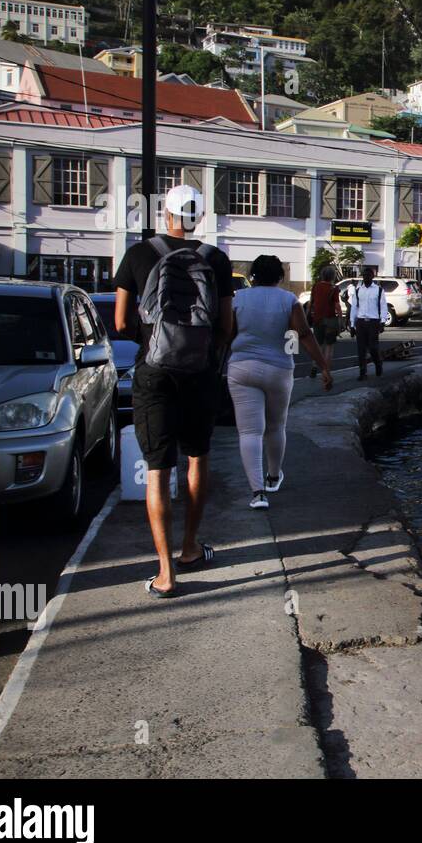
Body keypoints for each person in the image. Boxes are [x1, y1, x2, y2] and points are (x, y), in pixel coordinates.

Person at [115, 185, 233, 599]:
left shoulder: (138, 254)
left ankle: (166, 575)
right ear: (198, 218)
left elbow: (119, 322)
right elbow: (225, 327)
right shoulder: (215, 259)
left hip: (154, 372)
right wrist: (199, 351)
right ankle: (189, 548)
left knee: (157, 469)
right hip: (199, 373)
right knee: (197, 459)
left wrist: (152, 344)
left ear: (165, 213)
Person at [228, 255, 333, 510]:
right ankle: (274, 477)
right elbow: (304, 335)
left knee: (249, 432)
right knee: (276, 426)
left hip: (242, 368)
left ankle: (257, 492)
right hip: (279, 369)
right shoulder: (288, 300)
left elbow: (226, 334)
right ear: (280, 277)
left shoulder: (237, 299)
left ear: (253, 275)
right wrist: (323, 366)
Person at [351, 267, 389, 379]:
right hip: (361, 322)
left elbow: (383, 306)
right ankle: (363, 372)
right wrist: (352, 324)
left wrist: (382, 322)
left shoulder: (379, 290)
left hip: (373, 322)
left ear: (372, 277)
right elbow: (354, 308)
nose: (366, 277)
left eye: (368, 275)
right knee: (361, 349)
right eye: (364, 275)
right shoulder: (358, 291)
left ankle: (378, 363)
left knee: (373, 348)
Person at [308, 265, 342, 379]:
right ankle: (326, 372)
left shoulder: (316, 286)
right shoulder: (334, 288)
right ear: (332, 276)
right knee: (329, 347)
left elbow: (311, 302)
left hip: (317, 319)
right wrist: (341, 319)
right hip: (330, 320)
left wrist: (308, 314)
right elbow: (337, 305)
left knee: (318, 345)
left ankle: (314, 365)